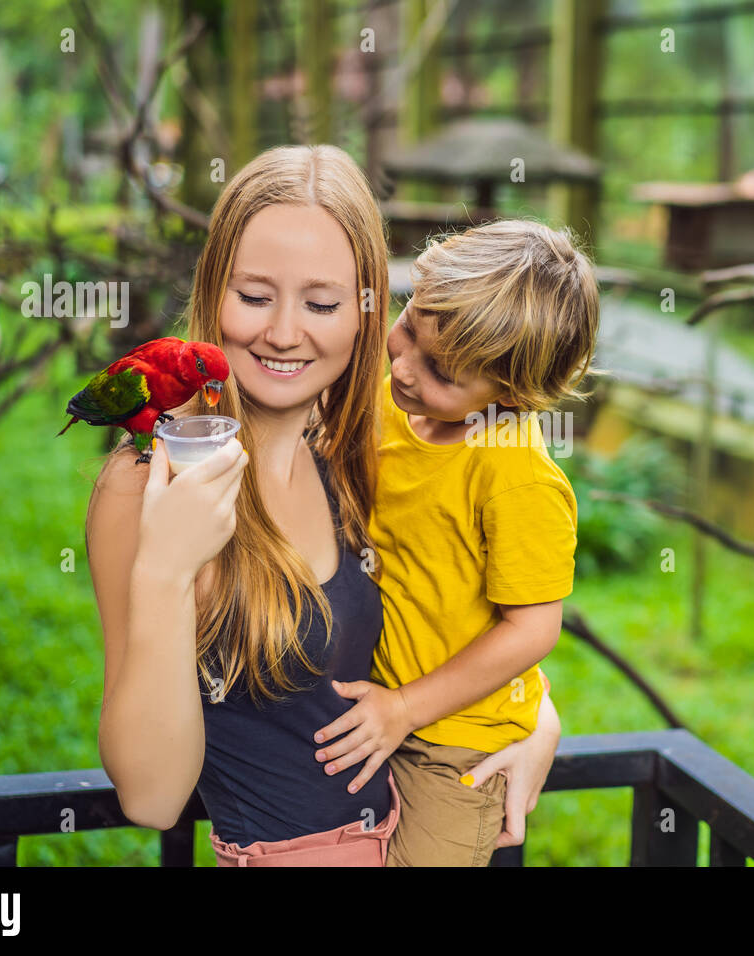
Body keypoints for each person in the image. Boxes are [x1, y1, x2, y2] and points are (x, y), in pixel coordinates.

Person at [86, 145, 560, 866]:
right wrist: (164, 572)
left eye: (322, 303)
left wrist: (535, 719)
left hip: (406, 832)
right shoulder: (151, 484)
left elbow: (467, 613)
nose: (282, 332)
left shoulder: (357, 452)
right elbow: (151, 796)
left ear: (368, 309)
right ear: (214, 291)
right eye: (253, 296)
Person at [306, 220, 599, 866]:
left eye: (440, 371)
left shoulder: (514, 473)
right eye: (409, 327)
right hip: (366, 700)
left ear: (511, 396)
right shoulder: (390, 403)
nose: (404, 367)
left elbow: (533, 631)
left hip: (458, 746)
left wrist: (406, 708)